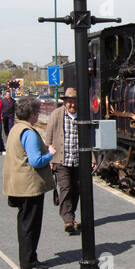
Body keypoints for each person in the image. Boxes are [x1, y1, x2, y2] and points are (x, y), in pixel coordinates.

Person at [2, 95, 57, 269]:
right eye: (37, 112)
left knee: (24, 224)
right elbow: (35, 161)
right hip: (29, 187)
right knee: (30, 226)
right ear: (32, 114)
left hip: (17, 185)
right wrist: (50, 153)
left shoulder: (15, 129)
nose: (39, 116)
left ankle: (28, 258)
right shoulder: (29, 133)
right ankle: (29, 261)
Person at [45, 86, 83, 236]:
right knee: (65, 188)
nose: (72, 105)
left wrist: (92, 158)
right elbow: (48, 137)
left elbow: (90, 138)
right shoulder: (57, 114)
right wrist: (49, 157)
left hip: (78, 159)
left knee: (76, 189)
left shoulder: (83, 115)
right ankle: (68, 219)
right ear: (65, 102)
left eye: (74, 101)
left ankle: (71, 215)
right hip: (61, 159)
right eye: (69, 102)